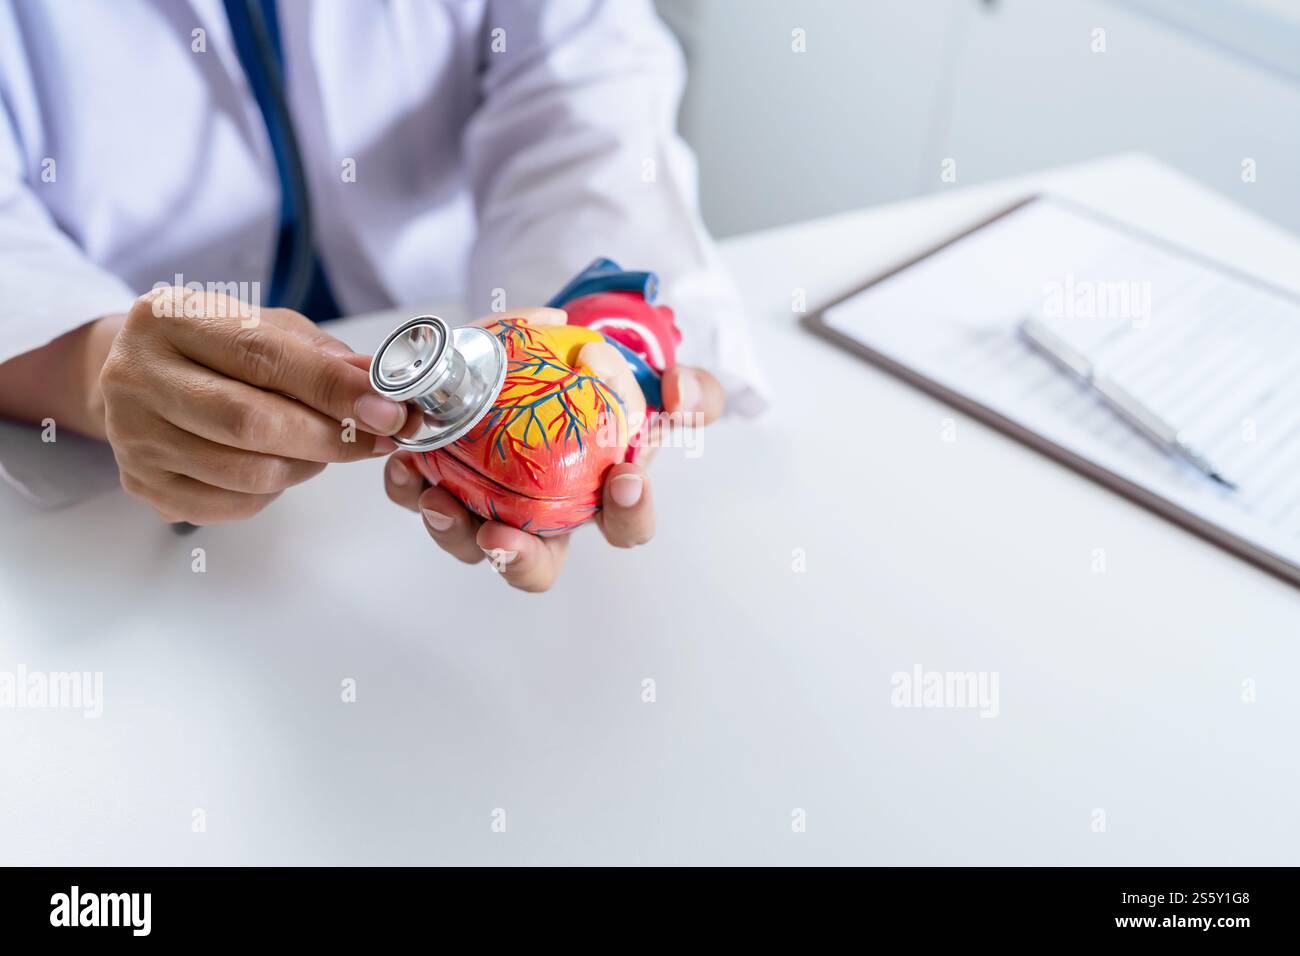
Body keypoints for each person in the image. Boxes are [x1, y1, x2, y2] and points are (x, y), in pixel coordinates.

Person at [0, 0, 766, 591]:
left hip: (458, 346)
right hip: (100, 519)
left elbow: (581, 97)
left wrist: (597, 330)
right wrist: (96, 370)